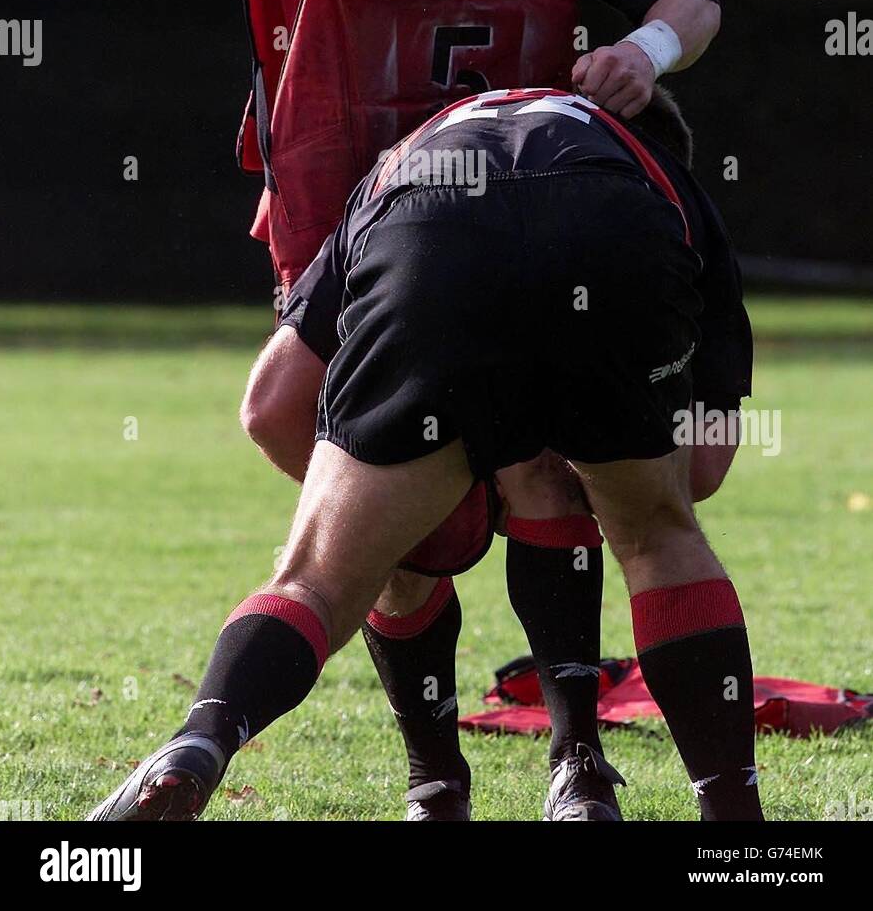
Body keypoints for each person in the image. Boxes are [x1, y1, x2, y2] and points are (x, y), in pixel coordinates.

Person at [181, 0, 722, 818]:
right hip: (352, 212)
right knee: (300, 435)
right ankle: (435, 758)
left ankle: (576, 753)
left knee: (543, 464)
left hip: (518, 212)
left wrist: (640, 48)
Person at [89, 84, 760, 824]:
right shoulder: (664, 182)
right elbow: (703, 464)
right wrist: (578, 468)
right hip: (607, 227)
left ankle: (199, 740)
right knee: (659, 538)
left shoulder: (409, 152)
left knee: (317, 580)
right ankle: (728, 826)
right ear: (662, 151)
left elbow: (269, 407)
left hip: (425, 226)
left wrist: (401, 517)